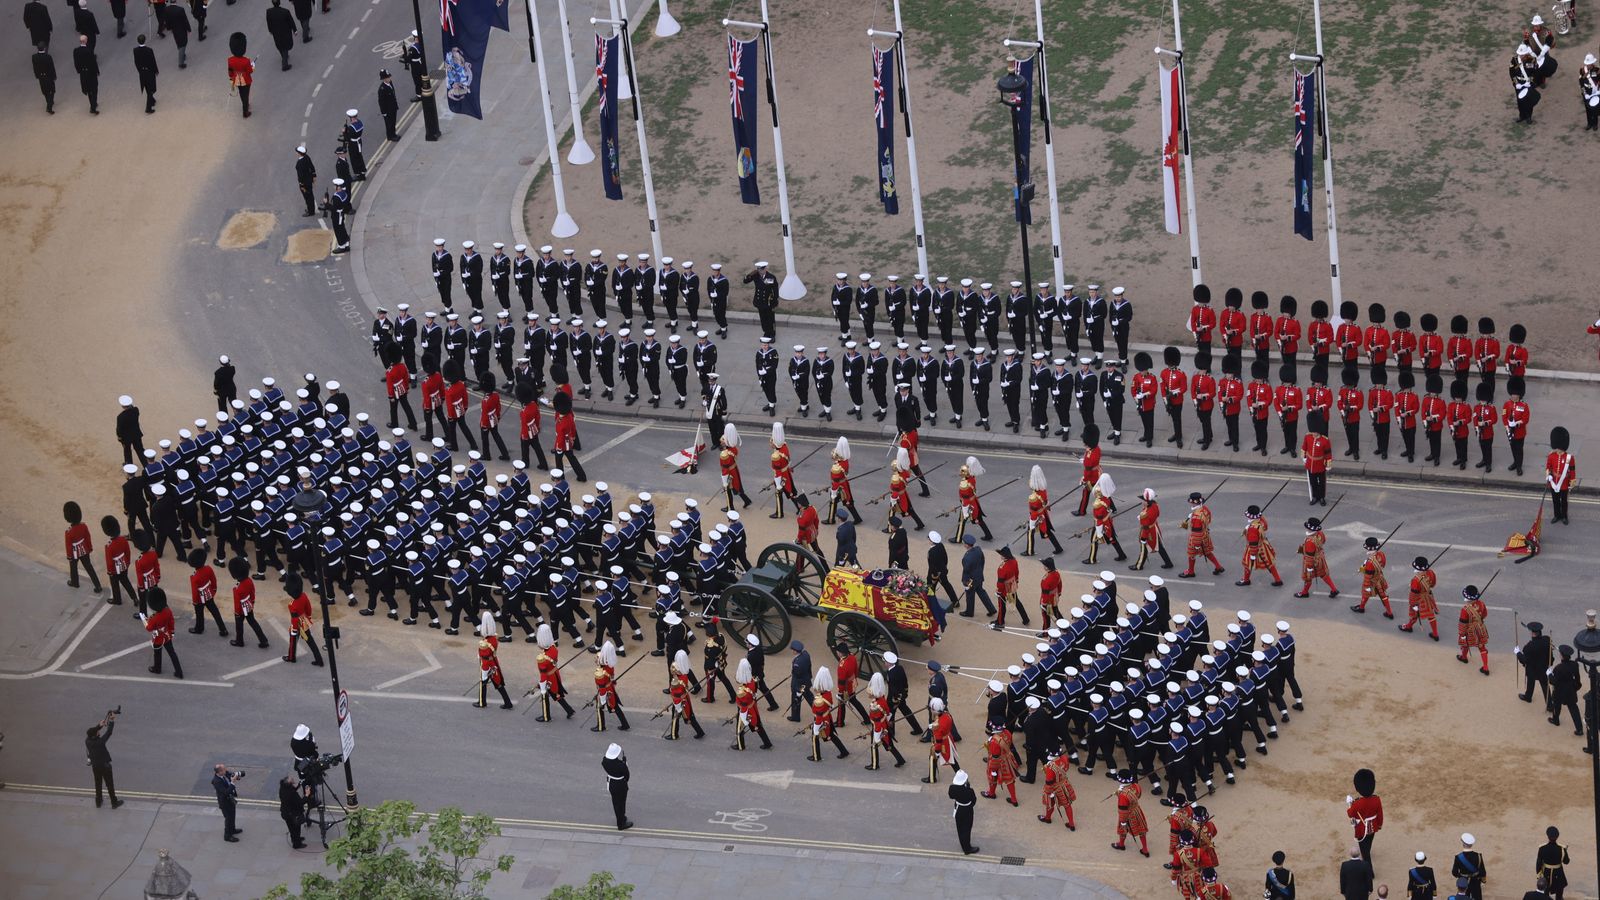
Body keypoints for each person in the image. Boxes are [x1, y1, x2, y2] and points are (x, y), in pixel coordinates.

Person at [141, 587, 183, 678]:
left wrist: (144, 620)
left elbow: (149, 628)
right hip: (167, 635)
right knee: (172, 653)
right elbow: (171, 622)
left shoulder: (154, 618)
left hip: (158, 638)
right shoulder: (168, 611)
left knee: (157, 653)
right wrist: (171, 632)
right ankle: (179, 671)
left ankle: (157, 668)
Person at [1347, 768, 1383, 871]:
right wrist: (1379, 825)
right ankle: (1367, 851)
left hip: (1361, 829)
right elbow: (1380, 814)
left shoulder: (1357, 803)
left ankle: (1369, 872)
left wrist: (1350, 805)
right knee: (1369, 842)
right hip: (1373, 826)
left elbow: (1350, 814)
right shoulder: (1377, 799)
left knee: (1365, 853)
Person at [63, 502, 103, 593]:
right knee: (89, 568)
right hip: (84, 550)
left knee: (73, 568)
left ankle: (75, 582)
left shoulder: (68, 532)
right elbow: (87, 537)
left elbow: (69, 546)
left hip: (74, 553)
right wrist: (89, 548)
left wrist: (69, 556)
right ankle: (98, 586)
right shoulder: (83, 526)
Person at [86, 711, 123, 809]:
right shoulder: (100, 742)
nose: (99, 732)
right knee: (109, 784)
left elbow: (91, 732)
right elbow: (109, 732)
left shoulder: (88, 741)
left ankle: (98, 802)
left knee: (98, 784)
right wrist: (112, 720)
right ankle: (114, 802)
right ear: (95, 735)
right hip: (105, 766)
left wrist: (99, 725)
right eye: (98, 732)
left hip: (95, 766)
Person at [1549, 645, 1582, 734]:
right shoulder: (1575, 665)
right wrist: (1575, 688)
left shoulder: (1558, 668)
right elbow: (1577, 679)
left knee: (1556, 705)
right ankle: (1579, 729)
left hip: (1559, 691)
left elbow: (1553, 682)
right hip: (1571, 691)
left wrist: (1549, 675)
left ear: (1561, 656)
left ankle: (1556, 720)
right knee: (1574, 709)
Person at [949, 769, 979, 855]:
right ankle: (967, 849)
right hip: (967, 810)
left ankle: (963, 844)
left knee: (960, 828)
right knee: (967, 829)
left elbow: (951, 796)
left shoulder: (952, 788)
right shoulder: (969, 790)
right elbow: (974, 800)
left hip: (958, 808)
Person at [1535, 826, 1568, 900]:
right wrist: (1566, 851)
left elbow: (1538, 863)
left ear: (1547, 836)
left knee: (1545, 894)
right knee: (1559, 895)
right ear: (1557, 836)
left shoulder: (1542, 848)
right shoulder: (1562, 848)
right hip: (1558, 873)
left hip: (1546, 873)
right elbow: (1566, 862)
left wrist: (1539, 875)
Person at [1451, 833, 1486, 900]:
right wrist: (1483, 881)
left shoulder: (1458, 857)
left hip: (1464, 882)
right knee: (1477, 897)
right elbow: (1482, 871)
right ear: (1472, 844)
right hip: (1475, 881)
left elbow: (1454, 872)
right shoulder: (1478, 856)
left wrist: (1461, 876)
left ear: (1463, 844)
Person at [227, 32, 254, 117]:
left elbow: (230, 71)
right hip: (246, 80)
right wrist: (252, 66)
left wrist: (231, 78)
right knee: (246, 94)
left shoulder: (230, 60)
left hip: (237, 80)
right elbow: (250, 71)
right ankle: (245, 112)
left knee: (242, 93)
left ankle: (245, 103)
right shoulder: (246, 61)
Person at [72, 33, 98, 114]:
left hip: (83, 73)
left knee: (88, 89)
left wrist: (79, 70)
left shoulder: (76, 51)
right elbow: (93, 62)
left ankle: (92, 103)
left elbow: (76, 62)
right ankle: (93, 106)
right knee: (94, 89)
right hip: (91, 72)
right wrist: (97, 71)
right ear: (86, 41)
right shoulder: (89, 50)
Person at [278, 774, 307, 849]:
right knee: (296, 829)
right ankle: (297, 844)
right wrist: (307, 795)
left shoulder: (283, 788)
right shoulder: (291, 794)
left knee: (291, 828)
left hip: (285, 812)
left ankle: (295, 839)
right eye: (291, 779)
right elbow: (300, 802)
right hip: (293, 814)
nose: (293, 779)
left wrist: (298, 786)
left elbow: (292, 790)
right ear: (290, 783)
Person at [265, 0, 296, 69]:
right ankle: (284, 64)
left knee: (280, 45)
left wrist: (270, 30)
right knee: (285, 46)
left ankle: (284, 56)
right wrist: (295, 30)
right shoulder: (285, 11)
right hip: (285, 32)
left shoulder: (269, 12)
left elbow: (269, 22)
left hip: (276, 33)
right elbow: (291, 22)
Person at [32, 43, 56, 114]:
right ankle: (49, 106)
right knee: (52, 90)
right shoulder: (48, 57)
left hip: (41, 77)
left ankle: (48, 101)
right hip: (48, 76)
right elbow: (51, 67)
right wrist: (54, 76)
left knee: (45, 90)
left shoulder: (34, 57)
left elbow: (35, 68)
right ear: (44, 48)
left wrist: (37, 76)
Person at [164, 0, 190, 67]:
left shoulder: (166, 9)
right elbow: (185, 20)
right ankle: (181, 63)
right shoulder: (180, 9)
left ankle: (182, 54)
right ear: (176, 1)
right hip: (182, 29)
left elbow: (167, 20)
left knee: (178, 42)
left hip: (174, 29)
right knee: (183, 44)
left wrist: (169, 28)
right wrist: (188, 29)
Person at [378, 68, 399, 140]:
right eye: (388, 77)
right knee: (389, 124)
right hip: (388, 110)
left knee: (393, 122)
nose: (389, 78)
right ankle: (390, 136)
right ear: (384, 79)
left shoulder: (390, 83)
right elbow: (381, 102)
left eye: (389, 76)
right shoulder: (382, 89)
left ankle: (393, 134)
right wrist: (384, 113)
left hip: (393, 107)